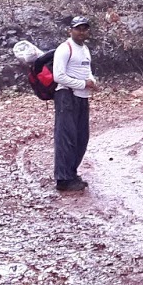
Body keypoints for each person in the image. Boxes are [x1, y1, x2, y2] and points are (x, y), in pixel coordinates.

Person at [51, 16, 99, 192]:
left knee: (81, 137)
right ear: (70, 30)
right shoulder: (64, 49)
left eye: (84, 29)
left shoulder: (85, 49)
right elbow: (59, 76)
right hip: (66, 96)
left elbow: (88, 71)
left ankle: (71, 173)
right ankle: (63, 179)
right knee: (66, 137)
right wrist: (82, 84)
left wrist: (92, 82)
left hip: (82, 97)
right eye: (78, 28)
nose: (81, 32)